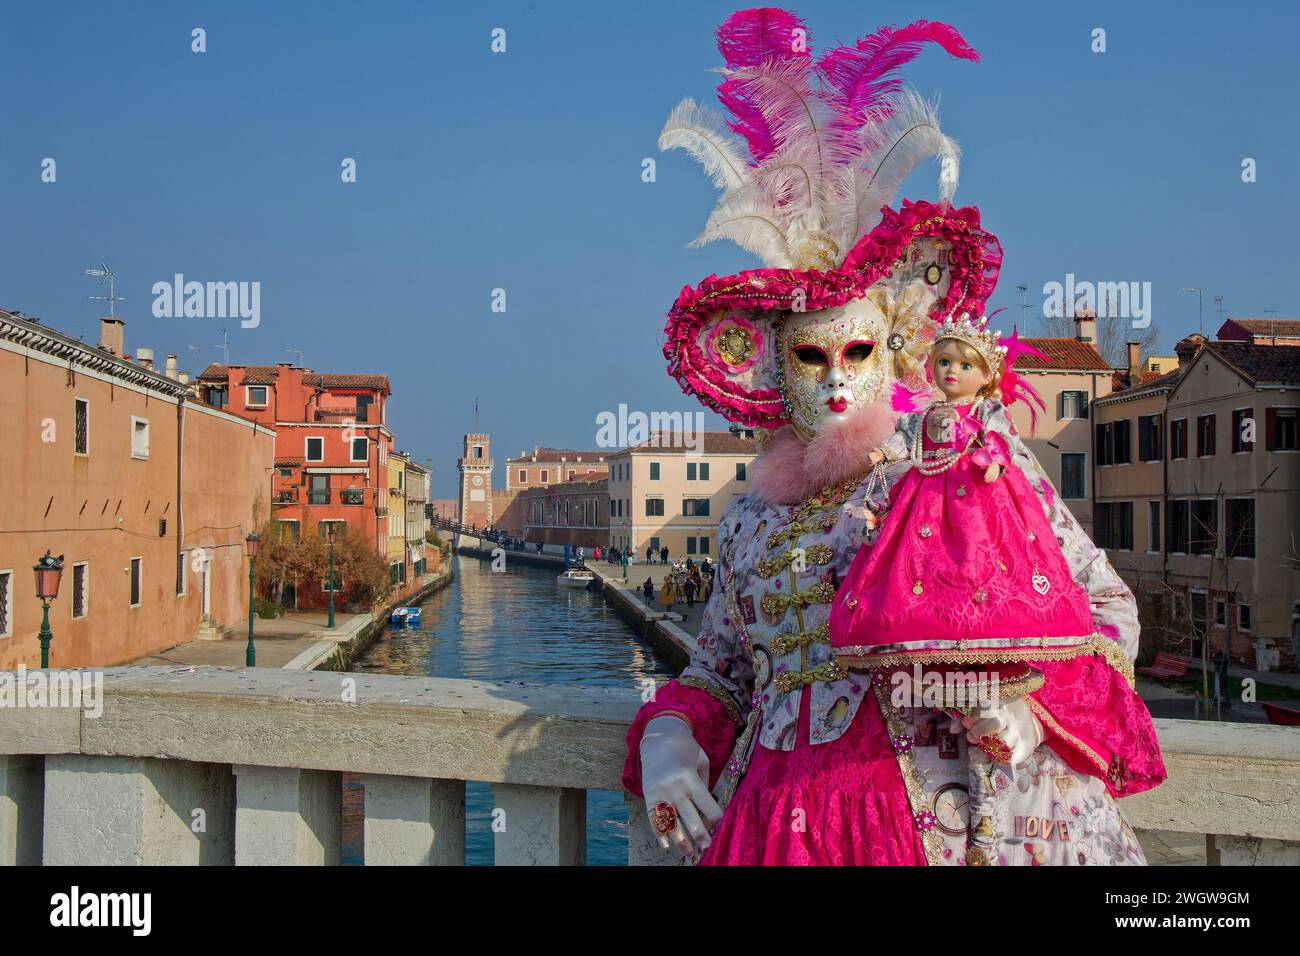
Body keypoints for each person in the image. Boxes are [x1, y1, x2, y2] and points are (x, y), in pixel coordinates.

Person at [623, 7, 1164, 868]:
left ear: (897, 342)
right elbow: (721, 670)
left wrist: (1031, 710)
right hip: (775, 826)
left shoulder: (961, 466)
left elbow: (1103, 613)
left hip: (936, 821)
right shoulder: (749, 524)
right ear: (772, 364)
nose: (836, 376)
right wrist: (671, 739)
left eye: (858, 349)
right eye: (810, 355)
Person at [830, 318, 1095, 670]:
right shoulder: (923, 416)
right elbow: (907, 441)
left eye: (965, 365)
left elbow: (1004, 439)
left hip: (978, 494)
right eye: (944, 362)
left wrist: (996, 463)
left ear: (986, 376)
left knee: (985, 558)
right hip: (926, 496)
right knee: (922, 564)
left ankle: (990, 629)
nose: (952, 371)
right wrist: (883, 453)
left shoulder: (986, 411)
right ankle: (929, 628)